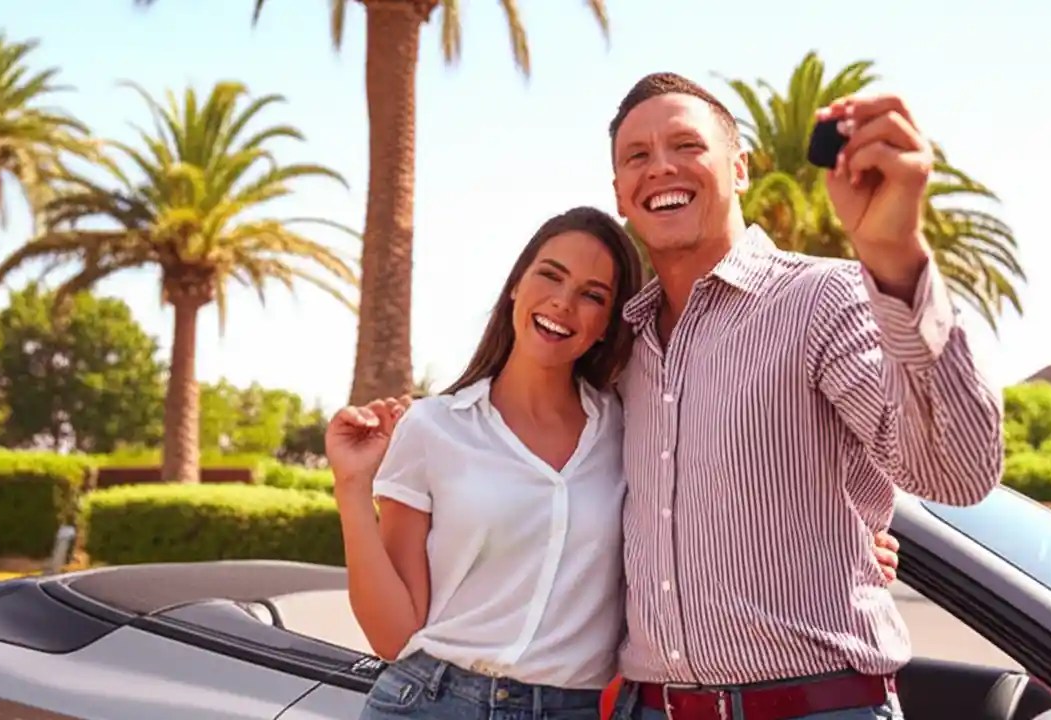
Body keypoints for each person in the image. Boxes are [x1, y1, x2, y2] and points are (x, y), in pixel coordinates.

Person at [324, 206, 903, 720]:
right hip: (435, 700)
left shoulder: (634, 424)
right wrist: (353, 489)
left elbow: (703, 514)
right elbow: (393, 633)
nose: (563, 303)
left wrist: (849, 541)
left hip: (577, 706)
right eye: (550, 276)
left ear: (608, 324)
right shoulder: (434, 427)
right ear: (515, 289)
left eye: (593, 295)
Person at [602, 73, 1004, 720]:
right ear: (620, 193)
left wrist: (895, 256)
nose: (661, 167)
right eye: (636, 156)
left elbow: (954, 473)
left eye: (687, 145)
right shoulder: (616, 349)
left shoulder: (825, 300)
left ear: (740, 168)